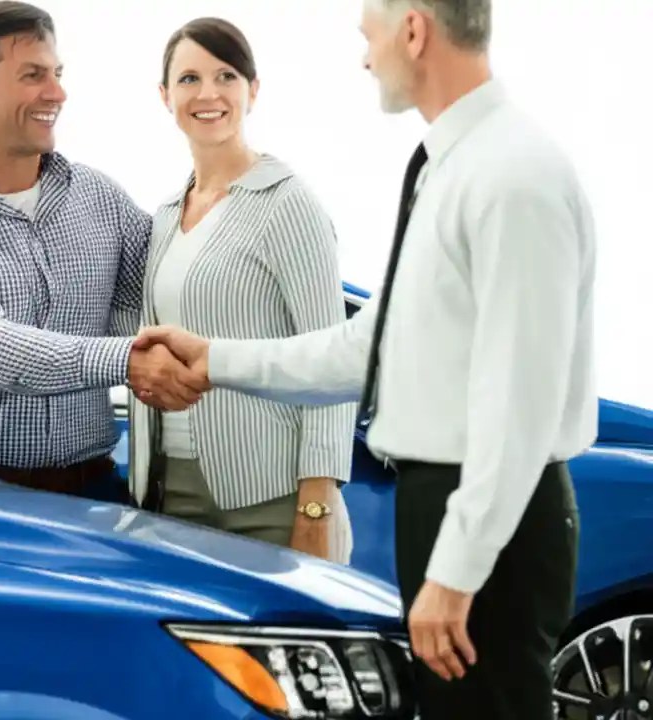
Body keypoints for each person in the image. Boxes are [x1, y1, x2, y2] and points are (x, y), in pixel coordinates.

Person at [135, 0, 595, 715]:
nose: (364, 57)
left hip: (486, 517)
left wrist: (457, 568)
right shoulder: (451, 167)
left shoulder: (510, 175)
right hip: (443, 502)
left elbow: (521, 403)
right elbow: (364, 345)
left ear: (413, 30)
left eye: (368, 36)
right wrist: (215, 359)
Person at [0, 1, 206, 503]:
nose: (57, 93)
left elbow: (174, 294)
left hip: (96, 495)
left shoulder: (99, 197)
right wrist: (129, 361)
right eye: (33, 75)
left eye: (57, 73)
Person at [128, 17, 355, 562]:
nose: (208, 94)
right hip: (167, 493)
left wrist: (317, 506)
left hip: (269, 495)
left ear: (252, 90)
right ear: (165, 96)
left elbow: (331, 361)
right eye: (188, 79)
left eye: (226, 75)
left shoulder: (286, 202)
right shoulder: (163, 217)